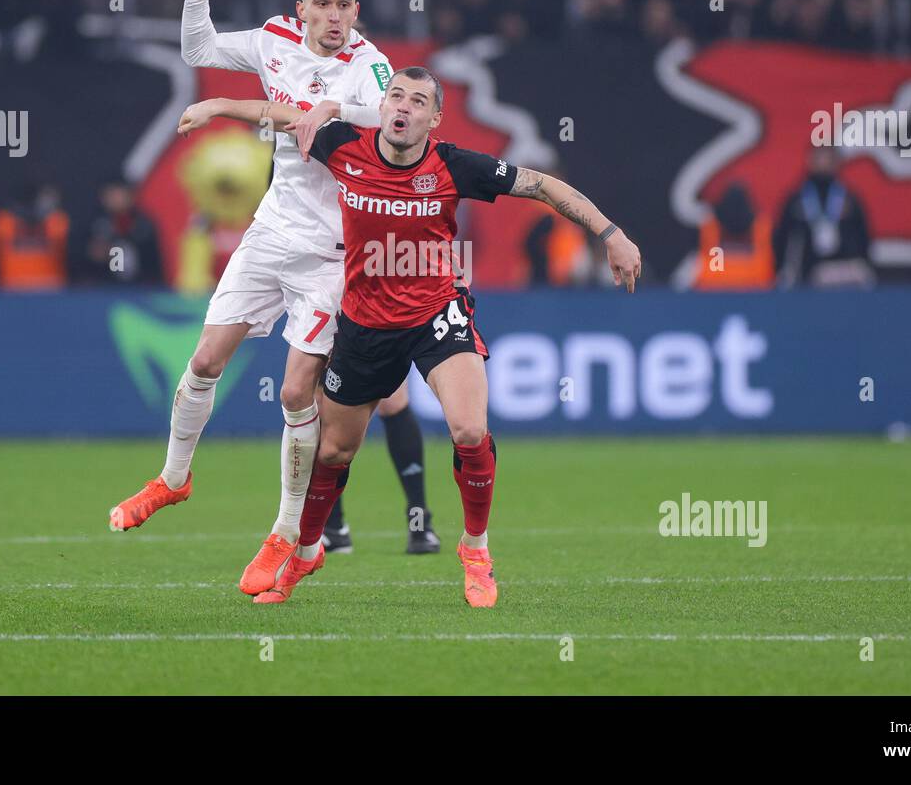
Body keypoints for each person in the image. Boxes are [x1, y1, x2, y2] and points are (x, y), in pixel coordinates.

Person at [177, 67, 641, 607]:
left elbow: (540, 185)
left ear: (433, 119)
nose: (404, 106)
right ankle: (304, 553)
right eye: (396, 95)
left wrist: (611, 234)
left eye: (418, 101)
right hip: (365, 324)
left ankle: (476, 551)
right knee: (335, 451)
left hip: (435, 315)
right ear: (382, 106)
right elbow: (277, 115)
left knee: (469, 430)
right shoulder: (343, 144)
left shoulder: (454, 165)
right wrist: (216, 106)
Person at [109, 0, 438, 600]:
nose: (336, 16)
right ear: (303, 8)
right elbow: (199, 50)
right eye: (323, 3)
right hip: (269, 233)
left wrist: (294, 108)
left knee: (295, 394)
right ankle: (174, 480)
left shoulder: (371, 68)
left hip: (331, 253)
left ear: (357, 10)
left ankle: (288, 535)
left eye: (346, 4)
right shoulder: (272, 41)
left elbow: (377, 115)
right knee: (203, 362)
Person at [772, 143, 873, 288]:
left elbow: (863, 238)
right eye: (819, 157)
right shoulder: (797, 200)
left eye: (828, 157)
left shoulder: (849, 200)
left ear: (837, 161)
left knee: (863, 274)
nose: (824, 162)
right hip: (807, 274)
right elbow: (782, 239)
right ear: (810, 160)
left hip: (845, 271)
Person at [80, 181, 163, 286]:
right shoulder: (95, 222)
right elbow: (81, 258)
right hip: (102, 287)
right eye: (111, 195)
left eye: (119, 194)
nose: (115, 199)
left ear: (130, 196)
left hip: (140, 287)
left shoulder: (144, 223)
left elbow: (154, 261)